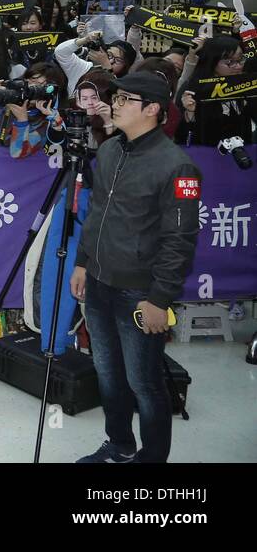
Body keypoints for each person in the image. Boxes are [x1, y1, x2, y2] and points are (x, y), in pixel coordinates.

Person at [71, 71, 202, 464]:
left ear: (152, 109)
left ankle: (153, 457)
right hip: (98, 282)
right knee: (108, 373)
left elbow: (180, 242)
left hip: (139, 292)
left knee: (144, 382)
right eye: (118, 97)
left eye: (127, 99)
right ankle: (120, 444)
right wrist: (82, 262)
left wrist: (159, 299)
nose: (116, 104)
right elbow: (96, 214)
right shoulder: (110, 149)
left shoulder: (178, 168)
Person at [0, 61, 65, 157]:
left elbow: (18, 153)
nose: (31, 87)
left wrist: (22, 121)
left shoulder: (45, 122)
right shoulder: (10, 101)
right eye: (30, 81)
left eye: (38, 86)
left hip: (6, 169)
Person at [176, 36, 254, 148]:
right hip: (206, 156)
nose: (238, 66)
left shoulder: (244, 84)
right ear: (212, 61)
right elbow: (181, 136)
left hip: (242, 155)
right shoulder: (193, 88)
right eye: (230, 62)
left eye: (241, 59)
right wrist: (190, 113)